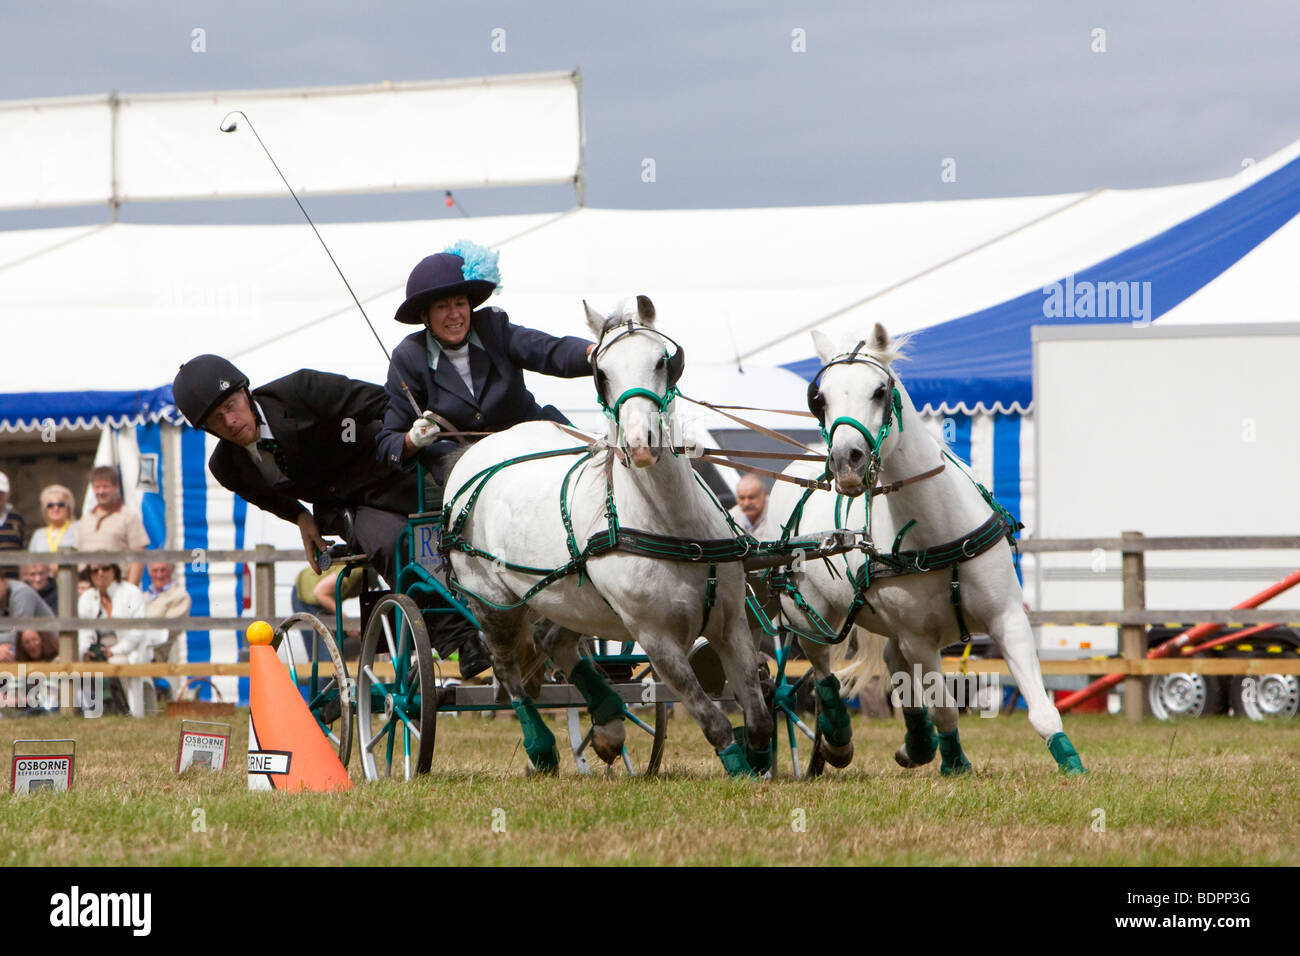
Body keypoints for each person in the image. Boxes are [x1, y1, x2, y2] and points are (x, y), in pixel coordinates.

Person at [172, 353, 493, 680]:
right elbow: (264, 496)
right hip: (349, 509)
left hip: (399, 474)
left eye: (230, 406)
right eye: (215, 419)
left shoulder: (301, 390)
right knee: (391, 543)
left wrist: (408, 442)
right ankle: (461, 640)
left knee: (474, 521)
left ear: (246, 393)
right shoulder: (226, 467)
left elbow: (379, 402)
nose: (229, 422)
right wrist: (299, 515)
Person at [376, 240, 597, 505]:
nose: (455, 314)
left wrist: (594, 352)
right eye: (443, 307)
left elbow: (548, 350)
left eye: (460, 303)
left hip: (531, 444)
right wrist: (413, 440)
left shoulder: (495, 326)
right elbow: (387, 442)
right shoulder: (408, 357)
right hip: (468, 472)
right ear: (426, 315)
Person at [78, 563, 150, 716]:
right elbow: (84, 632)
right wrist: (85, 650)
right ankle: (89, 711)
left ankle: (124, 709)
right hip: (98, 646)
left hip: (126, 648)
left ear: (114, 571)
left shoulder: (131, 592)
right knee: (75, 663)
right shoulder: (87, 597)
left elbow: (137, 633)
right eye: (95, 570)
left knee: (117, 662)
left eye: (105, 569)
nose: (100, 573)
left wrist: (114, 651)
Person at [77, 467, 149, 586]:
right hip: (89, 588)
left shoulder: (128, 517)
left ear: (116, 487)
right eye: (97, 487)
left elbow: (138, 555)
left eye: (105, 486)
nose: (101, 491)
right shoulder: (86, 518)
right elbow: (79, 556)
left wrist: (130, 589)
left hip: (118, 585)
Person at [143, 561, 191, 663]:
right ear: (149, 571)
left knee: (118, 663)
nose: (159, 575)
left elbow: (168, 631)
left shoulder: (180, 597)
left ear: (171, 570)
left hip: (154, 655)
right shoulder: (142, 597)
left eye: (163, 570)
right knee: (101, 662)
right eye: (155, 571)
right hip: (130, 649)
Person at [0, 573, 54, 663]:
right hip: (23, 654)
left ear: (5, 582)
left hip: (50, 654)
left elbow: (19, 636)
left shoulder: (21, 593)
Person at [28, 483, 78, 575]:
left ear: (69, 508)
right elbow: (31, 564)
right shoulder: (38, 534)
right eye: (50, 505)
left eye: (61, 504)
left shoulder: (78, 529)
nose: (55, 508)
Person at [729, 473, 775, 539]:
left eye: (751, 497)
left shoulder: (776, 515)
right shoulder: (730, 518)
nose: (746, 503)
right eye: (742, 498)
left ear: (764, 495)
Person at [0, 471, 25, 578]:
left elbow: (22, 549)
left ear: (8, 494)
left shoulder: (17, 519)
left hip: (12, 579)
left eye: (1, 492)